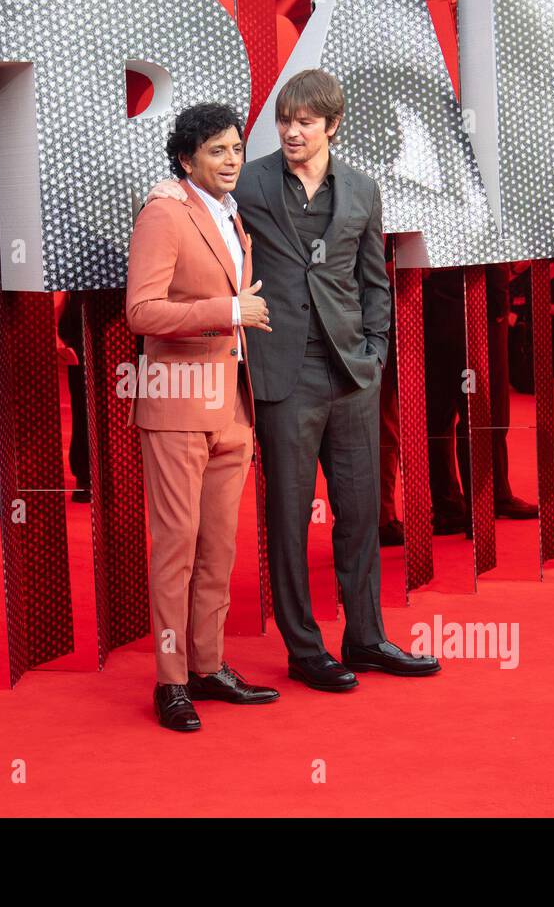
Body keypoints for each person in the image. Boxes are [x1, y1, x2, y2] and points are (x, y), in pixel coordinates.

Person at [149, 70, 439, 691]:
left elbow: (373, 281)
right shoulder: (247, 181)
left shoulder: (362, 190)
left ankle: (365, 638)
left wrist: (375, 353)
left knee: (360, 514)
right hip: (282, 375)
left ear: (332, 126)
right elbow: (191, 200)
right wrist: (168, 191)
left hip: (352, 374)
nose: (292, 132)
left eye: (306, 122)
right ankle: (304, 649)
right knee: (287, 519)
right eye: (284, 121)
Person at [126, 102, 280, 732]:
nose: (232, 160)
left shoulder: (231, 217)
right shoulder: (165, 212)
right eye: (217, 151)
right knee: (177, 552)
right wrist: (226, 310)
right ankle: (171, 682)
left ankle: (209, 666)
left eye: (236, 149)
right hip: (176, 404)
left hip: (231, 406)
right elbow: (142, 311)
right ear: (186, 159)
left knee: (219, 549)